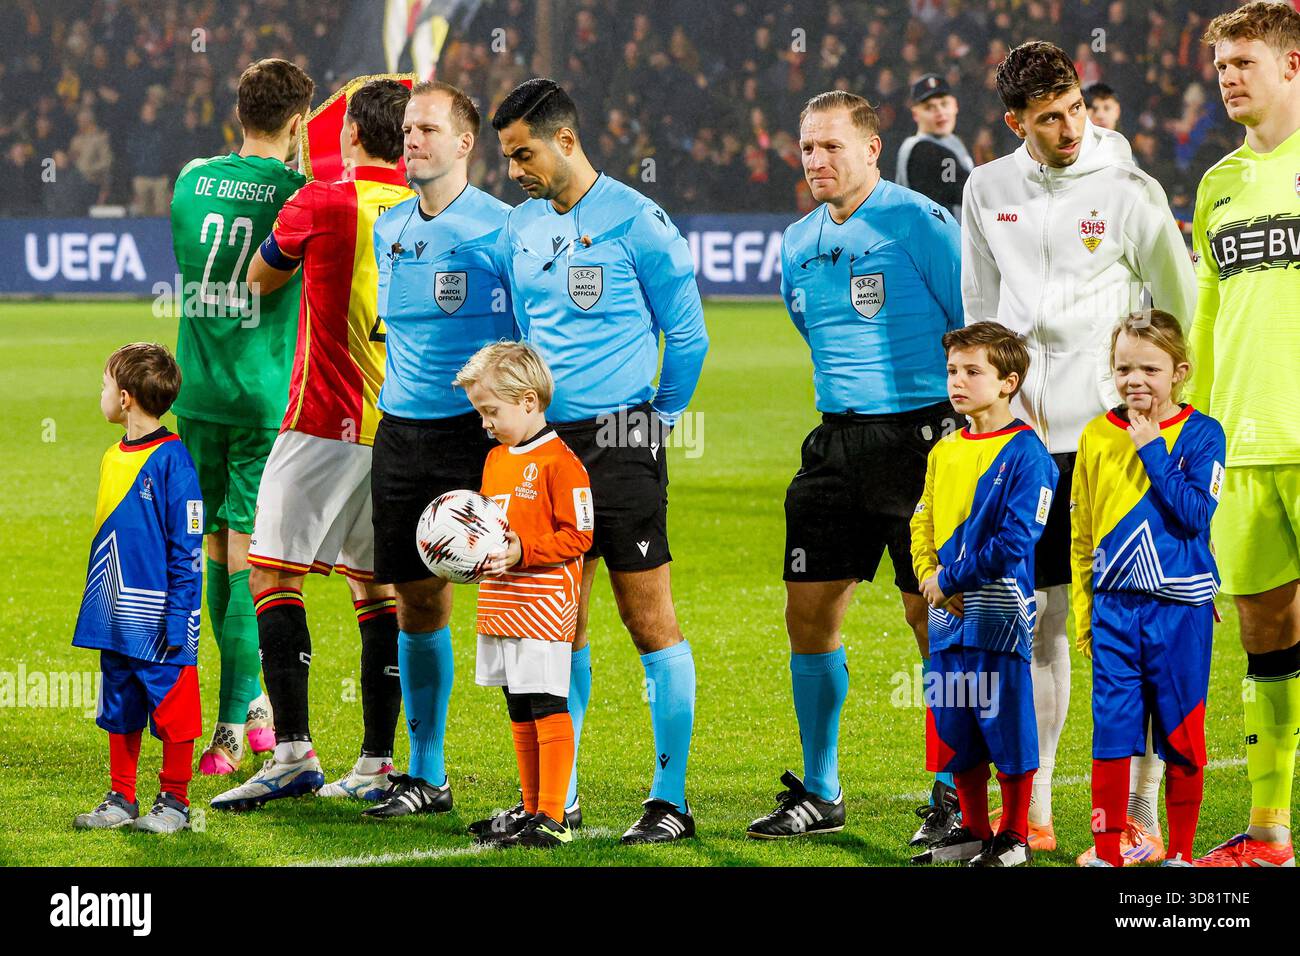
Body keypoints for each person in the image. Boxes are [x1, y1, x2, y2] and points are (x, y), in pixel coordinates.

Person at [961, 40, 1196, 856]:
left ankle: (1139, 812)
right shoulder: (987, 189)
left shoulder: (1131, 188)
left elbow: (1180, 306)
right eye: (1048, 117)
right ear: (1014, 120)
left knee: (1138, 628)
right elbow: (980, 310)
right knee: (1041, 623)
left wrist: (1162, 419)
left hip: (1116, 442)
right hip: (1028, 448)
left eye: (1075, 109)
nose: (1069, 127)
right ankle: (1037, 801)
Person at [492, 77, 709, 844]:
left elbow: (687, 337)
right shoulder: (520, 228)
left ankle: (669, 800)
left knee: (646, 618)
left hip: (622, 439)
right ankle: (560, 801)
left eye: (524, 154)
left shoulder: (638, 222)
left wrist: (660, 421)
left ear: (567, 140)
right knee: (557, 625)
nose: (515, 170)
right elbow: (525, 330)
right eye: (508, 157)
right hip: (549, 448)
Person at [747, 90, 964, 845]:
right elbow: (808, 324)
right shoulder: (799, 240)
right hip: (836, 443)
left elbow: (969, 322)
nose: (816, 160)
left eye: (832, 146)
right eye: (807, 147)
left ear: (873, 149)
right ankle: (820, 789)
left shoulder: (922, 223)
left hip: (925, 444)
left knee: (932, 616)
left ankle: (953, 792)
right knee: (807, 611)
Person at [211, 79, 415, 812]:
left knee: (272, 578)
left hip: (322, 423)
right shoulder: (432, 210)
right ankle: (379, 763)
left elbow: (259, 281)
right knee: (378, 590)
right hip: (398, 431)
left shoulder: (323, 201)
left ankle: (293, 752)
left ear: (353, 134)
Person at [361, 81, 520, 819]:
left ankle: (548, 790)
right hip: (399, 435)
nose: (411, 139)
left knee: (518, 605)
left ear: (465, 143)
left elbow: (529, 343)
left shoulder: (505, 230)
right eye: (405, 129)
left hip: (477, 438)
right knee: (416, 601)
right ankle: (426, 774)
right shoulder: (388, 228)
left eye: (426, 129)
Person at [170, 57, 314, 777]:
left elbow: (217, 179)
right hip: (262, 398)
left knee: (212, 552)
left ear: (237, 113)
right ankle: (231, 729)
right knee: (246, 558)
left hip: (194, 391)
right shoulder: (299, 193)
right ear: (297, 123)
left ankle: (252, 704)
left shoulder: (190, 179)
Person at [1189, 1, 1300, 868]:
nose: (1229, 75)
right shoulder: (1217, 184)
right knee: (1265, 635)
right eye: (1222, 63)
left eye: (1246, 61)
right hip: (1245, 447)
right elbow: (1208, 321)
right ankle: (1269, 834)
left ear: (1291, 66)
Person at [1072, 310, 1224, 867]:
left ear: (1179, 371)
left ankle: (1180, 854)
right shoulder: (1094, 434)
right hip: (1115, 611)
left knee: (1182, 737)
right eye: (1123, 368)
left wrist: (1152, 449)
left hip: (1180, 611)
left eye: (1150, 369)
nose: (1135, 380)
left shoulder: (1204, 433)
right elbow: (1083, 530)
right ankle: (1111, 850)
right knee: (1111, 733)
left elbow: (1194, 514)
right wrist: (1086, 610)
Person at [908, 322, 1057, 867]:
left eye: (974, 371)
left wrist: (949, 580)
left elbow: (1019, 537)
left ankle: (1014, 836)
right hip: (946, 615)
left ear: (1008, 382)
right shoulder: (944, 450)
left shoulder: (1027, 454)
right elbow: (921, 517)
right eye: (953, 371)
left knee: (1006, 724)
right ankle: (973, 829)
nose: (958, 381)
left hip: (997, 613)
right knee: (956, 725)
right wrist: (928, 574)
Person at [456, 342, 594, 848]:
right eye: (480, 412)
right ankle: (531, 806)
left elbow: (580, 535)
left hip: (542, 603)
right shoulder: (494, 461)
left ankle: (553, 818)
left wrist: (524, 552)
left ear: (530, 401)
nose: (486, 422)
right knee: (516, 703)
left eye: (491, 410)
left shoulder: (562, 463)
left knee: (545, 701)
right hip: (499, 603)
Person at [71, 344, 203, 834]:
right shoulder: (112, 456)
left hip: (160, 615)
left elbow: (188, 546)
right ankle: (121, 797)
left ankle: (175, 801)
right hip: (115, 613)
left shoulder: (174, 462)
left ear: (125, 398)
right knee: (119, 703)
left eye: (105, 386)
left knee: (173, 707)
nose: (100, 393)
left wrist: (180, 614)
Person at [895, 73, 974, 221]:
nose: (940, 113)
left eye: (944, 104)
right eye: (929, 107)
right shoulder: (923, 150)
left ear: (955, 105)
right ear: (916, 114)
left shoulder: (953, 141)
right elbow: (965, 192)